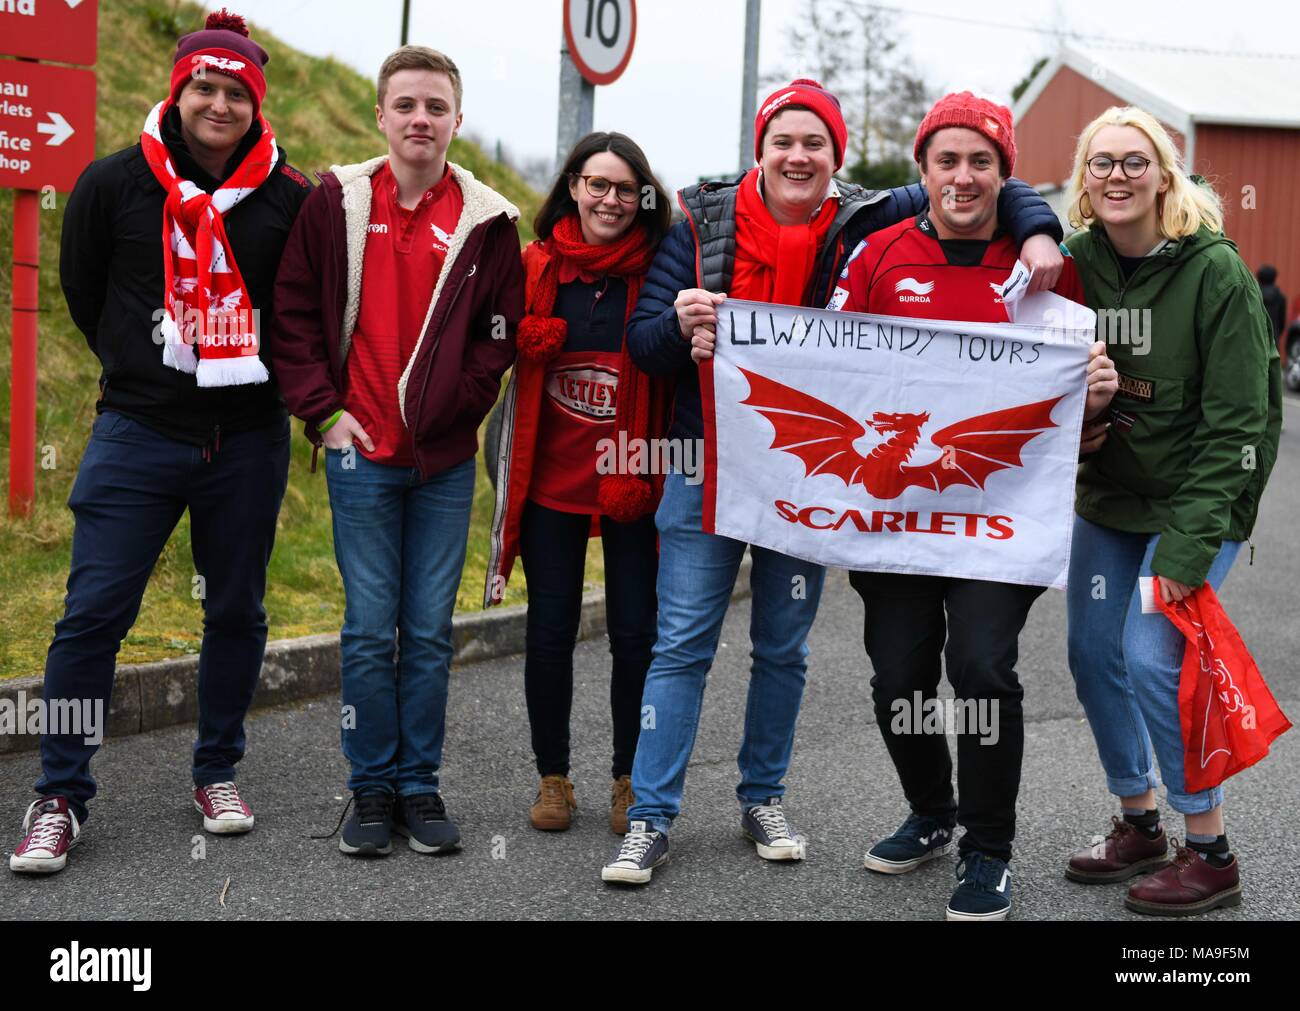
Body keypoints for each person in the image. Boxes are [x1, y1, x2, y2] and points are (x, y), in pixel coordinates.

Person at [600, 78, 1068, 886]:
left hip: (814, 487)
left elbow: (966, 172)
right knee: (681, 645)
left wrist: (1038, 225)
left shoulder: (860, 218)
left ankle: (763, 797)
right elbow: (643, 343)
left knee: (782, 648)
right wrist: (679, 330)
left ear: (836, 158)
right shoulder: (701, 221)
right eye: (783, 140)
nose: (798, 155)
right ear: (760, 150)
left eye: (815, 142)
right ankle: (650, 816)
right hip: (707, 463)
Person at [10, 10, 311, 875]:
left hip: (248, 439)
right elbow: (83, 286)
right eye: (203, 88)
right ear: (177, 91)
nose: (218, 103)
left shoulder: (292, 199)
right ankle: (59, 794)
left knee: (236, 610)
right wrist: (141, 367)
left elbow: (303, 315)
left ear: (256, 103)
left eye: (235, 92)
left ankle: (216, 769)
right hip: (136, 432)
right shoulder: (111, 183)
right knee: (91, 615)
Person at [827, 93, 1117, 921]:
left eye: (980, 161)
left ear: (1003, 173)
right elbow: (828, 364)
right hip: (897, 519)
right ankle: (931, 811)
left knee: (982, 669)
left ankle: (988, 848)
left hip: (1000, 515)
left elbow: (1080, 411)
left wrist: (1096, 401)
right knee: (898, 676)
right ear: (922, 171)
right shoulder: (878, 255)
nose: (963, 176)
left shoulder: (1047, 266)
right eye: (947, 160)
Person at [269, 46, 524, 857]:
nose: (421, 119)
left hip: (443, 465)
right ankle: (370, 787)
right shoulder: (335, 202)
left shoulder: (489, 221)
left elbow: (498, 340)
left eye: (436, 106)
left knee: (427, 629)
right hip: (358, 456)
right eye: (406, 104)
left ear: (455, 119)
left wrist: (456, 412)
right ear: (380, 114)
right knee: (369, 629)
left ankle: (420, 783)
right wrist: (324, 416)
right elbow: (296, 316)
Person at [1062, 106, 1281, 916]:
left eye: (1134, 161)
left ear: (1164, 175)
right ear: (1084, 178)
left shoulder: (1215, 272)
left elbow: (1239, 426)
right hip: (1113, 497)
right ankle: (1137, 820)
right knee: (1092, 652)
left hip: (1198, 498)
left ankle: (1211, 849)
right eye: (1101, 162)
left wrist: (1186, 556)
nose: (1117, 176)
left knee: (1152, 652)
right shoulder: (1074, 261)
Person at [484, 132, 672, 834]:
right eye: (598, 184)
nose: (611, 200)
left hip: (633, 481)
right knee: (550, 629)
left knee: (636, 633)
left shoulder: (658, 271)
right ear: (572, 186)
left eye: (626, 189)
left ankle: (630, 778)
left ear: (642, 198)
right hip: (550, 485)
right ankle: (553, 777)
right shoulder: (535, 266)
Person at [1255, 264, 1287, 345]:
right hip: (1273, 338)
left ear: (1259, 278)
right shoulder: (1281, 297)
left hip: (1254, 337)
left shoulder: (1253, 295)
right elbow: (1282, 322)